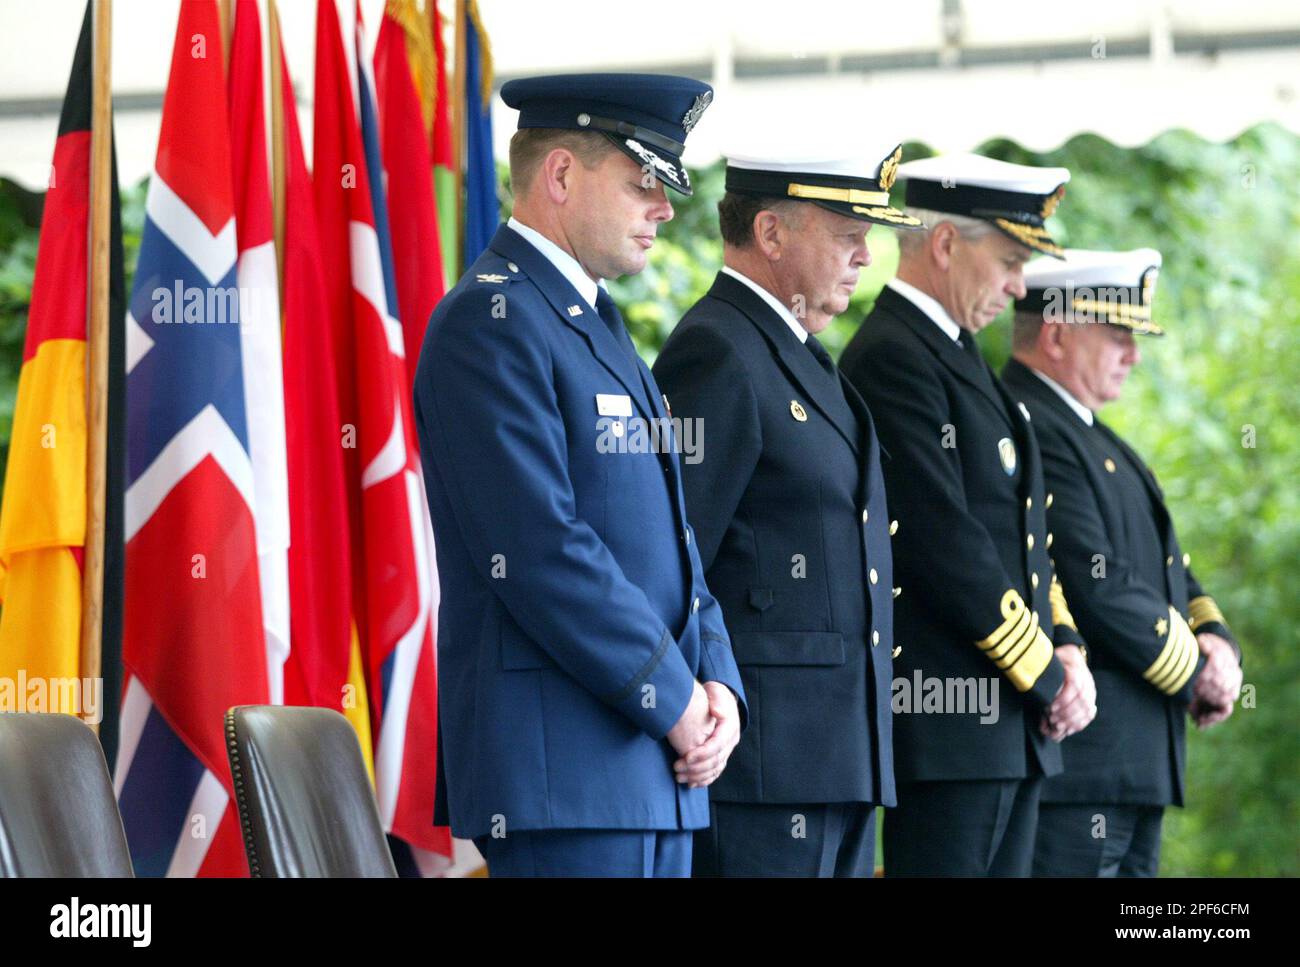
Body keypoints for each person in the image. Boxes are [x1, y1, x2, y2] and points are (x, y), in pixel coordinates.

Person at [412, 74, 747, 878]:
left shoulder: (593, 325)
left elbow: (672, 534)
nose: (665, 209)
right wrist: (676, 701)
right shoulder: (489, 322)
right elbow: (539, 548)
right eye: (643, 184)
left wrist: (719, 684)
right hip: (564, 769)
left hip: (646, 768)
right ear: (561, 176)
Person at [653, 141, 922, 876]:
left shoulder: (796, 352)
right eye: (847, 234)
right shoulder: (717, 350)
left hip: (833, 760)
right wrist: (694, 707)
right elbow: (670, 559)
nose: (866, 255)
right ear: (771, 232)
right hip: (762, 771)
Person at [839, 153, 1097, 876]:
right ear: (947, 244)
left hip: (1005, 725)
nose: (1021, 285)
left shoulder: (958, 356)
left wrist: (1067, 645)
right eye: (1011, 259)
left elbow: (1025, 533)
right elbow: (943, 544)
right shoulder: (894, 356)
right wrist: (1046, 671)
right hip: (955, 724)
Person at [1001, 248, 1243, 877]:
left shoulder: (1097, 437)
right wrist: (1199, 672)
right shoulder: (1032, 425)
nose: (1134, 355)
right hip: (1083, 772)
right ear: (1055, 333)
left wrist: (1216, 638)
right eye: (1118, 336)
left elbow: (1169, 566)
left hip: (1130, 769)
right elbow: (1093, 581)